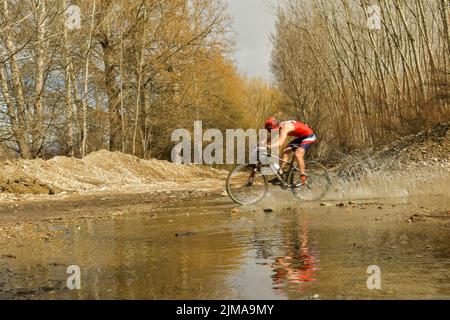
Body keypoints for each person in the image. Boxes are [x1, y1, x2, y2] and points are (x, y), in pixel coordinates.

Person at [264, 117, 317, 185]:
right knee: (285, 153)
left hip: (309, 136)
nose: (270, 131)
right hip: (302, 137)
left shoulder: (284, 128)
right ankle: (281, 174)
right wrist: (262, 143)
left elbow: (280, 143)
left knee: (298, 155)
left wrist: (268, 146)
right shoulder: (279, 126)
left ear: (273, 127)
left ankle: (303, 175)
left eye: (269, 130)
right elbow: (271, 137)